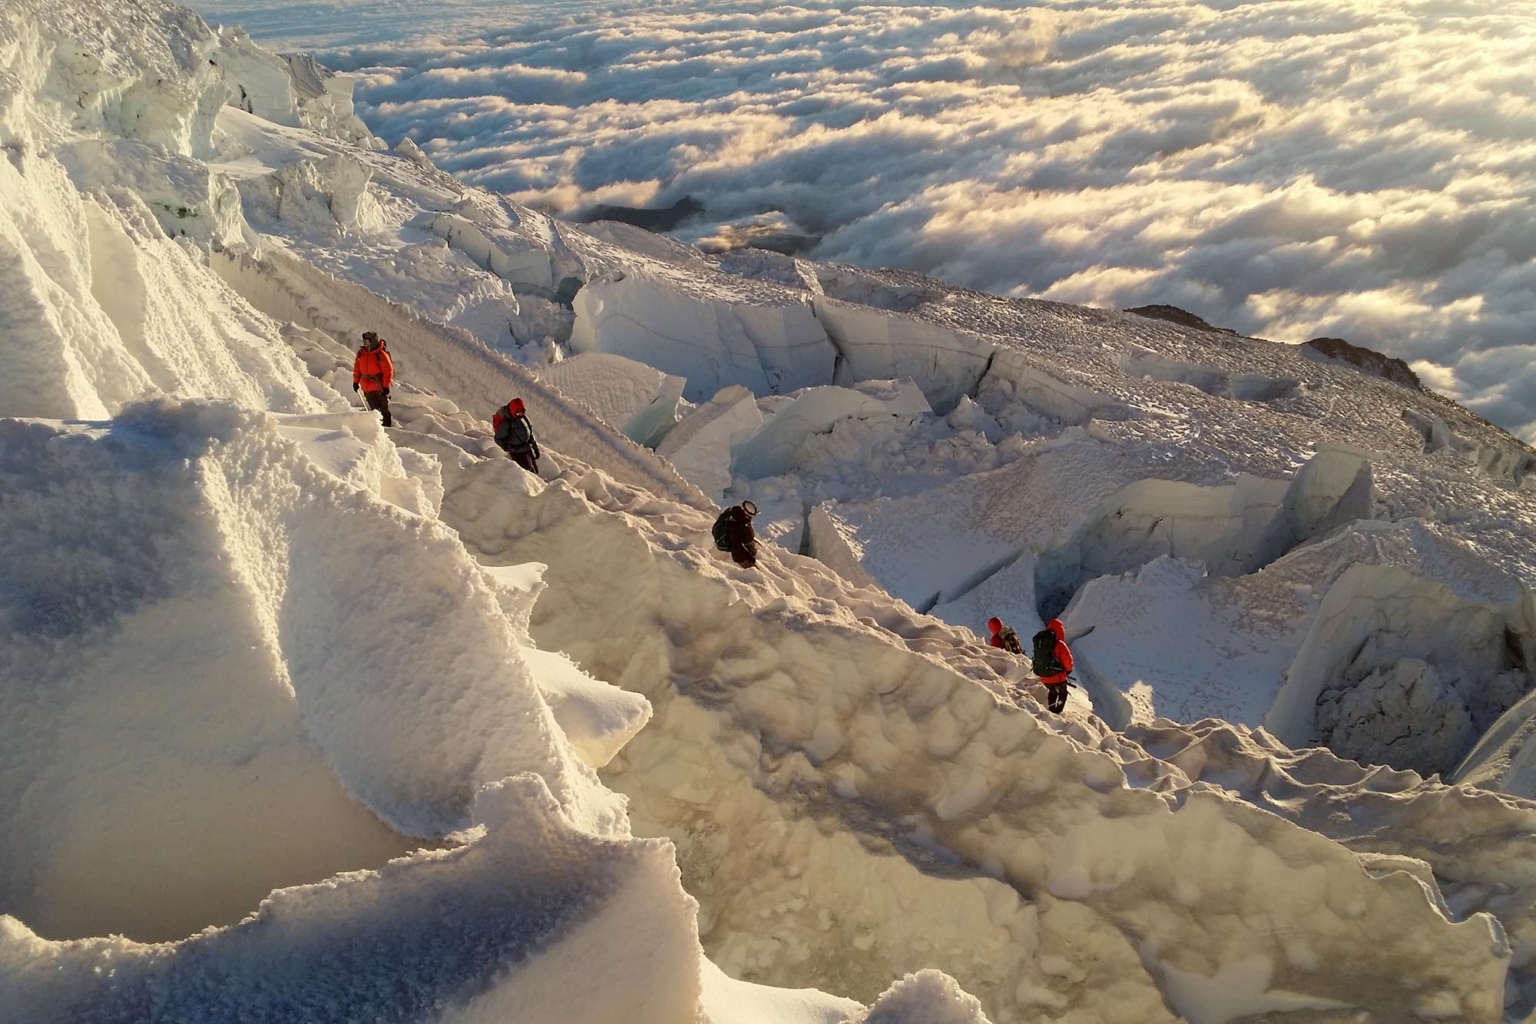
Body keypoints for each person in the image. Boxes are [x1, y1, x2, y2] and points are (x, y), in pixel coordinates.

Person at [1031, 618, 1074, 715]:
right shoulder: (1059, 644)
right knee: (1062, 694)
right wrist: (1068, 670)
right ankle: (1057, 712)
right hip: (1058, 676)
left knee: (1053, 691)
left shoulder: (1043, 643)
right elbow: (1068, 660)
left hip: (1044, 676)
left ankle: (1051, 711)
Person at [352, 331, 393, 427]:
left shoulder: (380, 354)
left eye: (368, 341)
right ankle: (377, 428)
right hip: (367, 388)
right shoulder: (361, 353)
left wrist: (386, 386)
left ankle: (387, 429)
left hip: (379, 387)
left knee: (384, 409)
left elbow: (388, 371)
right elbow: (357, 368)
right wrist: (355, 381)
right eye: (364, 341)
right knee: (374, 410)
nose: (365, 343)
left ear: (373, 342)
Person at [493, 397, 540, 474]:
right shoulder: (507, 422)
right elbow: (498, 438)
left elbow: (530, 433)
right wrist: (507, 447)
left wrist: (535, 447)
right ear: (513, 410)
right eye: (518, 412)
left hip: (527, 448)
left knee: (535, 471)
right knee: (526, 474)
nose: (521, 414)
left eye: (522, 412)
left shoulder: (523, 418)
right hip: (517, 453)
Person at [711, 500, 759, 568]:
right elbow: (737, 546)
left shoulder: (735, 514)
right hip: (739, 553)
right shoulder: (735, 527)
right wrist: (749, 561)